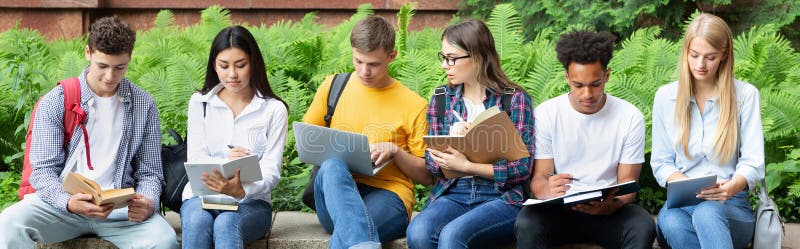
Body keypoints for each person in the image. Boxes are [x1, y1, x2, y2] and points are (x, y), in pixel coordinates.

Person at [0, 16, 177, 249]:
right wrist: (68, 202)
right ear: (88, 53)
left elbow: (150, 172)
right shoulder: (57, 101)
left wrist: (149, 202)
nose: (110, 77)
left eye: (119, 67)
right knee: (9, 224)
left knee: (165, 240)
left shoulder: (144, 104)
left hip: (120, 213)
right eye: (102, 66)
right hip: (62, 207)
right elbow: (43, 172)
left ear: (129, 59)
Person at [514, 30, 656, 249]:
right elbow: (539, 179)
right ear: (567, 78)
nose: (587, 94)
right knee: (527, 223)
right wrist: (547, 189)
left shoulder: (629, 116)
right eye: (578, 85)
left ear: (607, 75)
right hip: (559, 211)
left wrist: (611, 205)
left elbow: (627, 185)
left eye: (595, 84)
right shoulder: (547, 113)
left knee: (642, 225)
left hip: (608, 211)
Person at [301, 15, 431, 249]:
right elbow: (308, 142)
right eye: (358, 61)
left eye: (373, 64)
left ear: (392, 56)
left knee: (352, 230)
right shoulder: (333, 87)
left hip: (389, 195)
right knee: (332, 165)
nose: (364, 71)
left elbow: (427, 176)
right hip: (335, 192)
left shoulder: (414, 104)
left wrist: (395, 153)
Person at [404, 20, 534, 249]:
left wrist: (468, 165)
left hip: (500, 197)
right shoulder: (442, 99)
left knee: (452, 236)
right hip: (453, 192)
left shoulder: (513, 99)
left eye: (452, 58)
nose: (445, 65)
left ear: (478, 56)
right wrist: (450, 147)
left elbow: (522, 168)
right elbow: (431, 167)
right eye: (443, 57)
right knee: (418, 233)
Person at [651, 13, 763, 249]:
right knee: (670, 220)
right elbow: (661, 162)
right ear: (686, 53)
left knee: (707, 213)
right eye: (694, 55)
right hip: (682, 205)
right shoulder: (665, 97)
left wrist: (731, 186)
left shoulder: (745, 96)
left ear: (724, 55)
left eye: (710, 57)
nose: (700, 65)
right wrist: (687, 186)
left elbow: (754, 162)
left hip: (731, 206)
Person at [180, 25, 288, 248]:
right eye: (224, 65)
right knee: (196, 220)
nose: (232, 74)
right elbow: (197, 158)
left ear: (253, 63)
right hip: (201, 197)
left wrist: (241, 189)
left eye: (241, 65)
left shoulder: (273, 109)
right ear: (214, 65)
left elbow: (271, 171)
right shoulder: (200, 103)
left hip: (252, 203)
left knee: (227, 223)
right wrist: (227, 164)